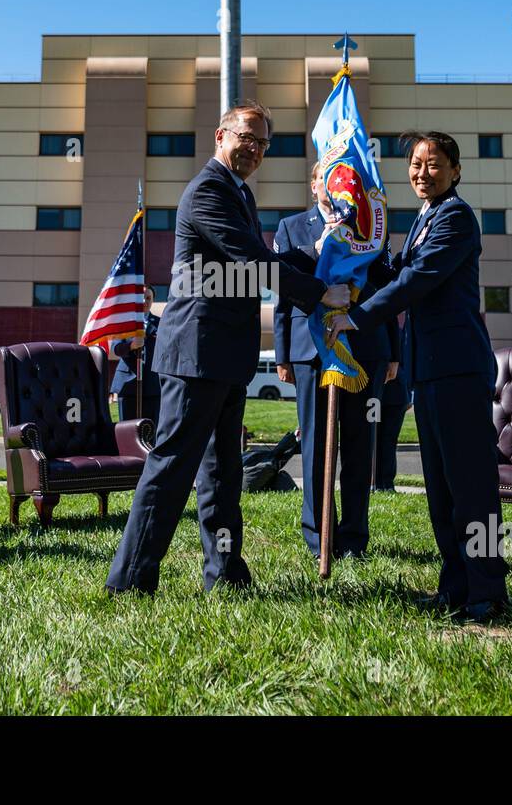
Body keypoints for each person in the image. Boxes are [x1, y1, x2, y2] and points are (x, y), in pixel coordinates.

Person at [106, 102, 349, 595]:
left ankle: (225, 574)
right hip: (196, 354)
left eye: (263, 143)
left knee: (221, 475)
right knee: (172, 466)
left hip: (224, 357)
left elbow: (261, 260)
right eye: (246, 138)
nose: (254, 150)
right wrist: (319, 290)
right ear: (221, 136)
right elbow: (254, 261)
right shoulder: (208, 191)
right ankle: (130, 580)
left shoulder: (238, 194)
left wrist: (327, 250)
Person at [329, 131, 507, 622]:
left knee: (471, 486)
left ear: (455, 171)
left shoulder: (455, 217)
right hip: (427, 374)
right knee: (442, 486)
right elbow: (393, 272)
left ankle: (487, 591)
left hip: (458, 371)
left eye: (433, 164)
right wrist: (345, 252)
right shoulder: (425, 219)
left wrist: (357, 316)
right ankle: (455, 585)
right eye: (414, 164)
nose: (421, 173)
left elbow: (417, 280)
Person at [274, 163, 399, 559]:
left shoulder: (368, 224)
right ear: (314, 185)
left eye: (341, 176)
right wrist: (283, 355)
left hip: (364, 350)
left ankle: (354, 539)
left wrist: (393, 351)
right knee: (314, 445)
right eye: (324, 177)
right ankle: (318, 537)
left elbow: (388, 289)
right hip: (310, 351)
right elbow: (283, 289)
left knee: (361, 447)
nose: (334, 184)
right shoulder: (291, 227)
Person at [111, 287, 161, 430]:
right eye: (141, 297)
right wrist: (131, 345)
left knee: (151, 431)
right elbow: (116, 348)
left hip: (153, 385)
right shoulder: (124, 323)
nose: (145, 301)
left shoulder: (162, 323)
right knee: (126, 430)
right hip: (128, 385)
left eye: (148, 298)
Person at [373, 313, 411, 492]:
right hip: (373, 394)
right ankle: (373, 482)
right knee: (372, 439)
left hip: (397, 395)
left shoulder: (405, 328)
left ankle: (386, 484)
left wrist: (410, 395)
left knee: (388, 441)